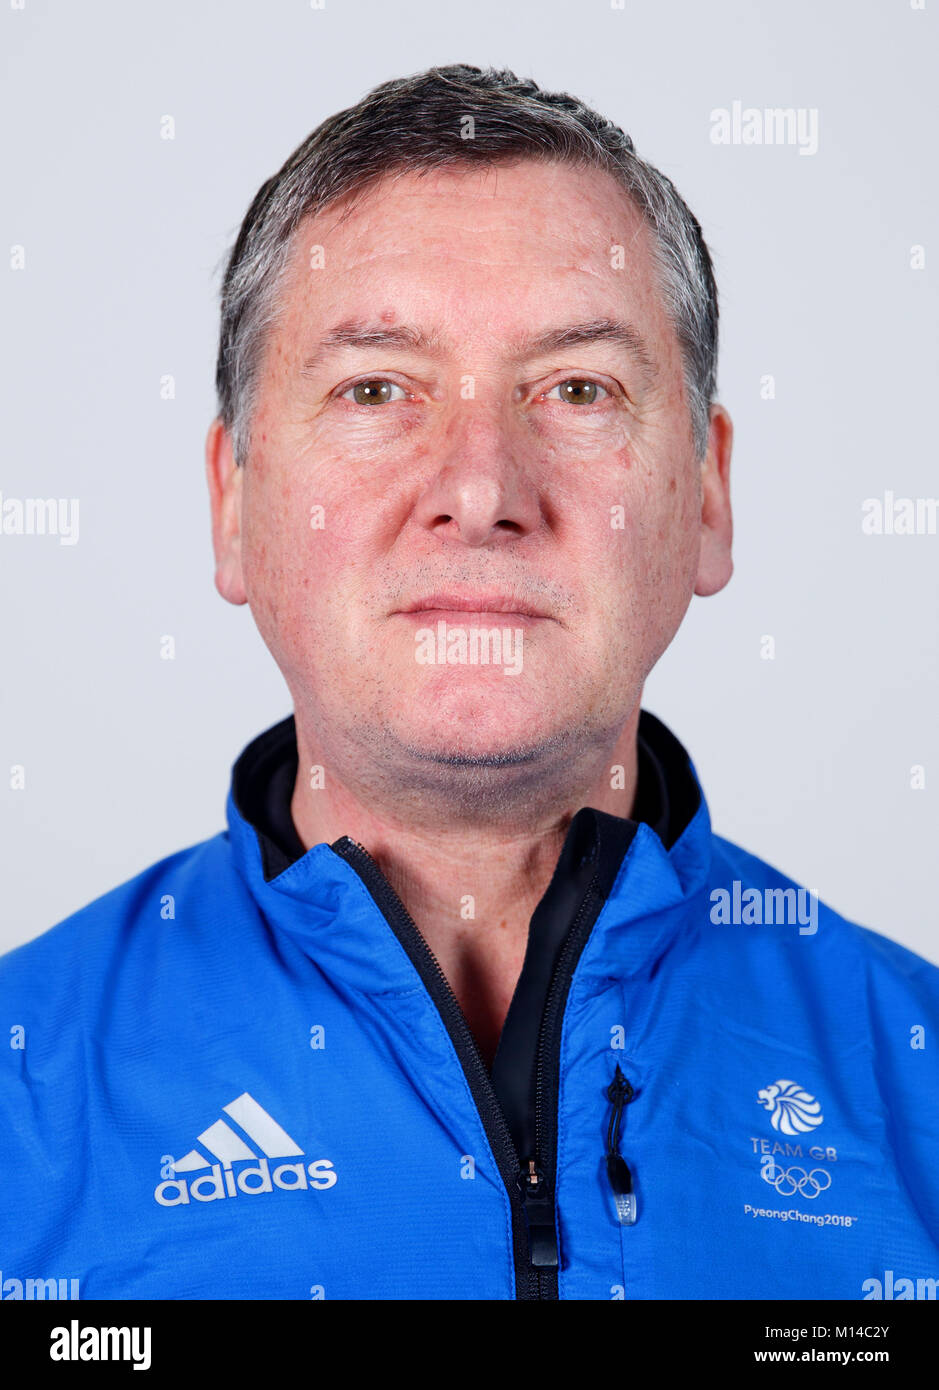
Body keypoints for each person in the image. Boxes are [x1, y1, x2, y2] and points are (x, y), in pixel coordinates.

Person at [1, 65, 937, 1302]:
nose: (483, 487)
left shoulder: (913, 1082)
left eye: (578, 389)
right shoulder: (25, 1097)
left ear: (707, 495)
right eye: (377, 389)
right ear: (233, 504)